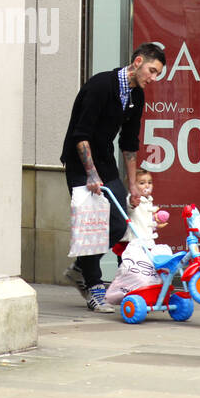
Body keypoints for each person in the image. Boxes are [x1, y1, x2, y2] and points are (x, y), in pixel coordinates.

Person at [60, 43, 167, 312]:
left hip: (105, 161)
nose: (153, 78)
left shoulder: (137, 96)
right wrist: (90, 174)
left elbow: (129, 144)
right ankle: (94, 286)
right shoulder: (100, 86)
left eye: (157, 74)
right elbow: (80, 134)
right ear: (138, 61)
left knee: (120, 222)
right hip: (79, 161)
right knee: (91, 221)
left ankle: (80, 267)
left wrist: (133, 185)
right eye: (152, 71)